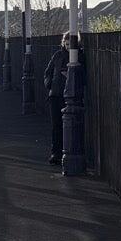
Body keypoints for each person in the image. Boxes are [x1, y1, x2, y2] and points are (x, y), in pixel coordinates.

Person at [44, 31, 73, 165]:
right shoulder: (57, 55)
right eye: (65, 44)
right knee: (56, 126)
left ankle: (66, 152)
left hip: (69, 97)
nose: (67, 46)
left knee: (68, 126)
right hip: (55, 95)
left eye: (69, 44)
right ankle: (55, 153)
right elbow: (48, 72)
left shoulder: (78, 56)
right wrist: (49, 85)